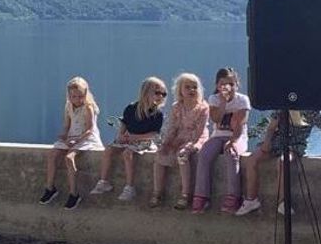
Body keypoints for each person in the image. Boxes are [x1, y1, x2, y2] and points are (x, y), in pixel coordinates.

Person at [88, 77, 167, 202]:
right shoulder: (131, 108)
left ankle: (129, 187)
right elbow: (124, 123)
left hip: (144, 140)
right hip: (129, 137)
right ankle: (103, 181)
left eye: (163, 94)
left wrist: (135, 137)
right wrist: (121, 135)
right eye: (157, 93)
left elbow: (154, 134)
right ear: (146, 92)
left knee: (127, 153)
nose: (160, 96)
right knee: (109, 149)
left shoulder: (158, 114)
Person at [39, 76, 103, 210]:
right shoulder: (68, 106)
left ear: (85, 94)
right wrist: (64, 135)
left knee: (69, 158)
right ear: (69, 95)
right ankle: (50, 188)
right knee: (53, 155)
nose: (77, 99)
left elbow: (90, 129)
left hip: (86, 138)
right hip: (72, 136)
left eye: (80, 96)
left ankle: (74, 193)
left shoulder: (88, 107)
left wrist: (77, 141)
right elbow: (67, 125)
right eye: (74, 96)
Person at [192, 67, 250, 214]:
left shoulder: (242, 100)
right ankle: (202, 196)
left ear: (236, 84)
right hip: (218, 135)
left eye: (231, 83)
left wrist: (233, 140)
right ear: (218, 85)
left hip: (238, 136)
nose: (227, 87)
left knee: (232, 153)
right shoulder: (214, 99)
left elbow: (240, 123)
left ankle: (234, 196)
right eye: (223, 84)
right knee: (204, 154)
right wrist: (223, 102)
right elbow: (216, 119)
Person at [235, 110, 312, 216]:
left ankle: (283, 202)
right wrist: (266, 143)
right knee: (252, 160)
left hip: (294, 145)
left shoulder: (311, 110)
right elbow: (271, 127)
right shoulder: (282, 106)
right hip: (276, 142)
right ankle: (251, 200)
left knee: (283, 161)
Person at [151, 73, 210, 209]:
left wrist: (188, 143)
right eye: (187, 87)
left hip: (197, 138)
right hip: (179, 137)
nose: (191, 90)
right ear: (180, 90)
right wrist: (167, 142)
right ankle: (157, 192)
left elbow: (199, 131)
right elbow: (173, 126)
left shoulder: (203, 107)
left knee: (182, 155)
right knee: (160, 155)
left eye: (194, 87)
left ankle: (185, 194)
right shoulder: (177, 107)